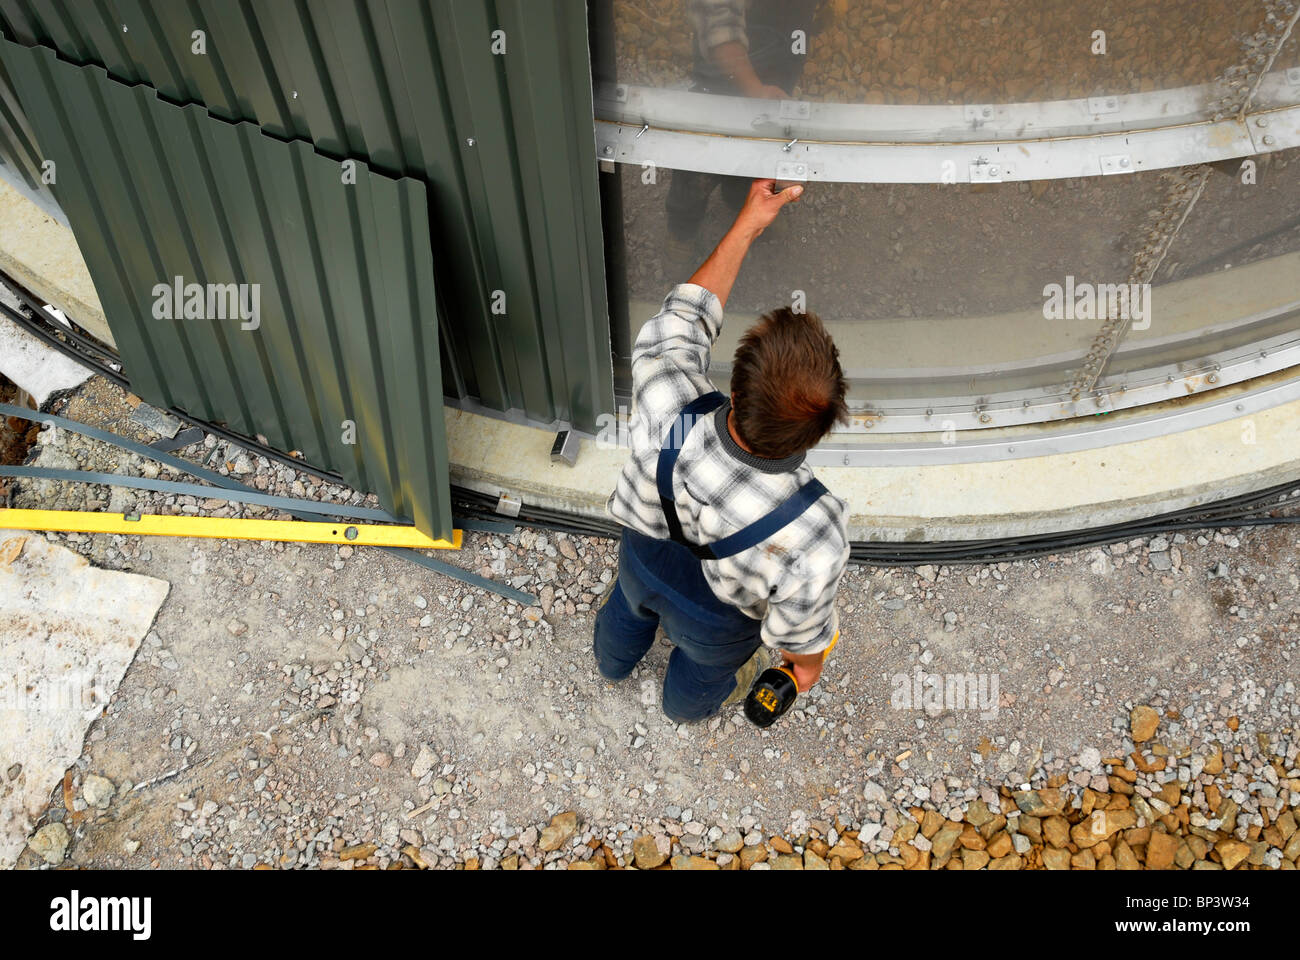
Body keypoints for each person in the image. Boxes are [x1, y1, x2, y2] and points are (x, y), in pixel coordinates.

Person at [595, 177, 851, 724]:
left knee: (626, 610)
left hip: (642, 556)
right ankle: (680, 708)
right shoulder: (817, 531)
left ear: (733, 389)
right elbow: (800, 645)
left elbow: (684, 315)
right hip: (717, 619)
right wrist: (804, 670)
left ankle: (612, 664)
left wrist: (747, 225)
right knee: (703, 673)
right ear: (817, 434)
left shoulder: (667, 392)